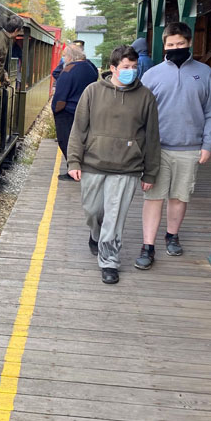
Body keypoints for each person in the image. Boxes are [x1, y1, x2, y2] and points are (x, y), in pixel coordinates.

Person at [67, 45, 160, 284]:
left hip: (127, 167)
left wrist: (150, 173)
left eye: (134, 67)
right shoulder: (92, 92)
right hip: (93, 164)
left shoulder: (145, 97)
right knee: (93, 211)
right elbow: (79, 129)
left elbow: (152, 137)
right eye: (126, 67)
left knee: (114, 216)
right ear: (113, 68)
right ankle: (95, 234)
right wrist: (73, 160)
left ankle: (109, 261)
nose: (131, 71)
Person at [135, 21, 211, 270]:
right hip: (157, 149)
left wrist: (208, 144)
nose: (175, 48)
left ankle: (172, 235)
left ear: (189, 43)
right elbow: (140, 114)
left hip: (190, 147)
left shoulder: (204, 73)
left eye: (180, 44)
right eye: (171, 44)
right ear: (164, 45)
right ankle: (148, 246)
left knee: (180, 197)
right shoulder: (151, 75)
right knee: (153, 197)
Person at [53, 44, 99, 180]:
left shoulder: (69, 71)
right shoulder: (90, 68)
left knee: (66, 141)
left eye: (64, 56)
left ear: (70, 56)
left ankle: (72, 170)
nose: (64, 58)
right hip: (86, 109)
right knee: (82, 141)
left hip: (68, 112)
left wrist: (56, 110)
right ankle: (81, 168)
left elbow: (60, 95)